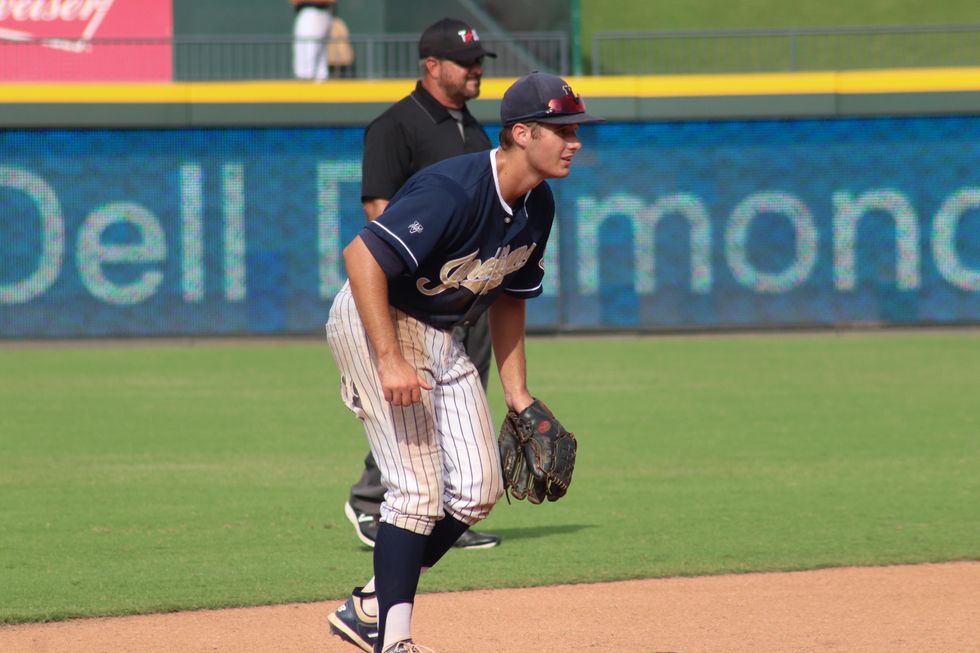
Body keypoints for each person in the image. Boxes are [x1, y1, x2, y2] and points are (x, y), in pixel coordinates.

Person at [325, 71, 603, 653]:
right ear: (523, 133)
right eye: (562, 129)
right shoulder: (454, 188)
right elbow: (361, 256)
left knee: (477, 488)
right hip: (377, 320)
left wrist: (518, 393)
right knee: (416, 490)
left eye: (576, 128)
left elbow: (510, 295)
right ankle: (392, 639)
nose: (574, 140)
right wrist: (389, 359)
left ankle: (370, 604)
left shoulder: (538, 205)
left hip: (442, 335)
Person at [344, 17, 501, 552]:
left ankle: (445, 509)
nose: (476, 68)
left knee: (460, 407)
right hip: (416, 299)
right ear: (431, 66)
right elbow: (378, 213)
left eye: (480, 60)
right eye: (466, 61)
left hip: (468, 294)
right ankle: (370, 503)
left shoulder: (475, 131)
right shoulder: (396, 126)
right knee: (408, 399)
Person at [291, 0, 337, 81]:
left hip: (312, 12)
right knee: (315, 55)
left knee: (308, 52)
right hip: (317, 13)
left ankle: (307, 84)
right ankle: (316, 83)